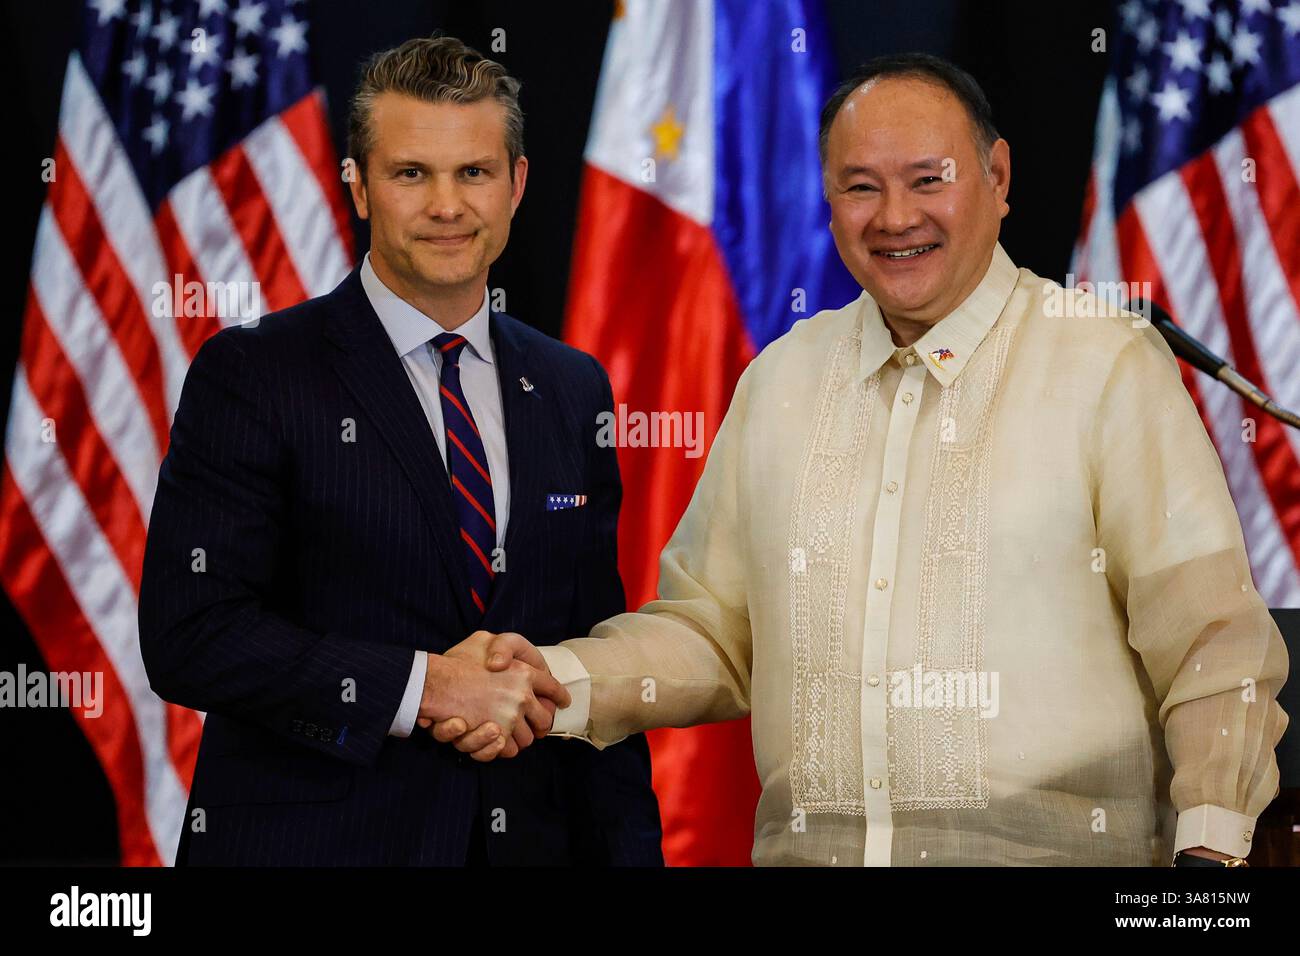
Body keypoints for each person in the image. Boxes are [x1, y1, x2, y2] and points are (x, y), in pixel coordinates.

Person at [432, 53, 1289, 867]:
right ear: (829, 203)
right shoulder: (782, 379)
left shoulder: (1104, 365)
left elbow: (1215, 647)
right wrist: (552, 679)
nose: (895, 217)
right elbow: (713, 636)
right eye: (860, 187)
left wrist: (1208, 861)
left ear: (996, 179)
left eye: (929, 180)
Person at [138, 35, 662, 866]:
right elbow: (192, 635)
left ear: (517, 184)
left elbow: (587, 655)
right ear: (358, 186)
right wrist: (423, 687)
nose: (446, 205)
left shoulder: (572, 387)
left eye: (474, 173)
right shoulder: (254, 373)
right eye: (412, 173)